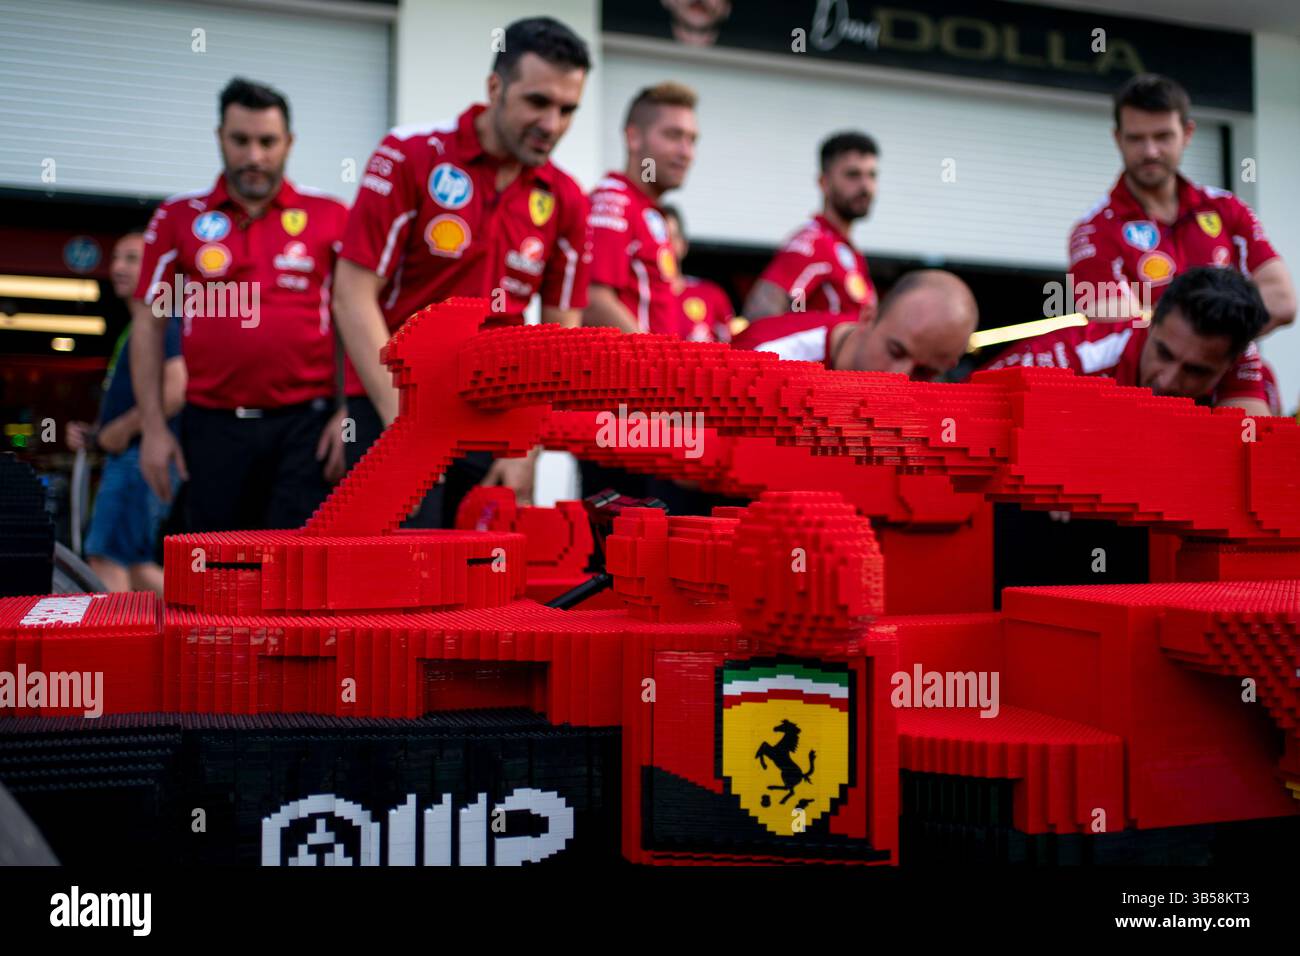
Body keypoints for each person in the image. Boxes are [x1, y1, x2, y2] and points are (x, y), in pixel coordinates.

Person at [334, 16, 592, 520]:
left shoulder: (566, 197)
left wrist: (526, 446)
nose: (552, 124)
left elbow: (562, 333)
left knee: (487, 587)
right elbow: (351, 294)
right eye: (538, 102)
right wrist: (404, 421)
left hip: (496, 424)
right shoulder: (411, 154)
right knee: (392, 588)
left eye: (568, 109)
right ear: (495, 87)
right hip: (395, 407)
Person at [132, 78, 349, 531]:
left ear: (288, 142)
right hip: (212, 430)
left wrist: (348, 415)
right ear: (220, 138)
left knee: (296, 580)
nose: (254, 156)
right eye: (241, 140)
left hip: (306, 430)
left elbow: (356, 319)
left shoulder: (329, 216)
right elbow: (148, 325)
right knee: (216, 579)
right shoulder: (179, 217)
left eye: (267, 142)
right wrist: (153, 430)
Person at [1069, 73, 1295, 332]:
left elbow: (1281, 301)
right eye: (1136, 138)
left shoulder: (1227, 208)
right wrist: (1224, 324)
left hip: (1243, 373)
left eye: (1163, 136)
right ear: (1118, 139)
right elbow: (1118, 328)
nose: (1150, 151)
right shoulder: (1093, 231)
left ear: (1187, 133)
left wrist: (1195, 333)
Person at [982, 267, 1271, 416]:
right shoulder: (1073, 356)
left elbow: (1257, 456)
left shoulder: (1243, 360)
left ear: (1229, 363)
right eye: (1163, 353)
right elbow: (966, 411)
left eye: (1196, 370)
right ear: (1150, 321)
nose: (1169, 381)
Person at [66, 232, 185, 593]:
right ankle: (208, 627)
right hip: (135, 457)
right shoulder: (142, 324)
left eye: (132, 259)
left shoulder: (162, 319)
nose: (118, 267)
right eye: (117, 258)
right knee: (133, 565)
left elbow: (177, 387)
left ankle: (117, 646)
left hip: (140, 458)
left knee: (107, 559)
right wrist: (96, 432)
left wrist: (121, 430)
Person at [584, 82, 698, 337]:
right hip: (631, 376)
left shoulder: (647, 210)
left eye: (692, 140)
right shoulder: (614, 202)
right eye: (673, 135)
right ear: (633, 137)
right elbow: (593, 300)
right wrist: (660, 369)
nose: (686, 152)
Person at [732, 269, 977, 380]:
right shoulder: (764, 354)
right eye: (895, 351)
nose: (899, 377)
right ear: (868, 317)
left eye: (924, 372)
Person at [743, 131, 879, 323]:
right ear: (823, 182)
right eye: (853, 175)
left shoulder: (849, 251)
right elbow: (759, 317)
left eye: (872, 175)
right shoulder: (812, 243)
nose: (866, 186)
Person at [662, 204, 734, 343]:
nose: (664, 244)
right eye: (659, 236)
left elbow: (730, 349)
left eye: (671, 237)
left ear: (683, 245)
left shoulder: (712, 295)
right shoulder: (633, 297)